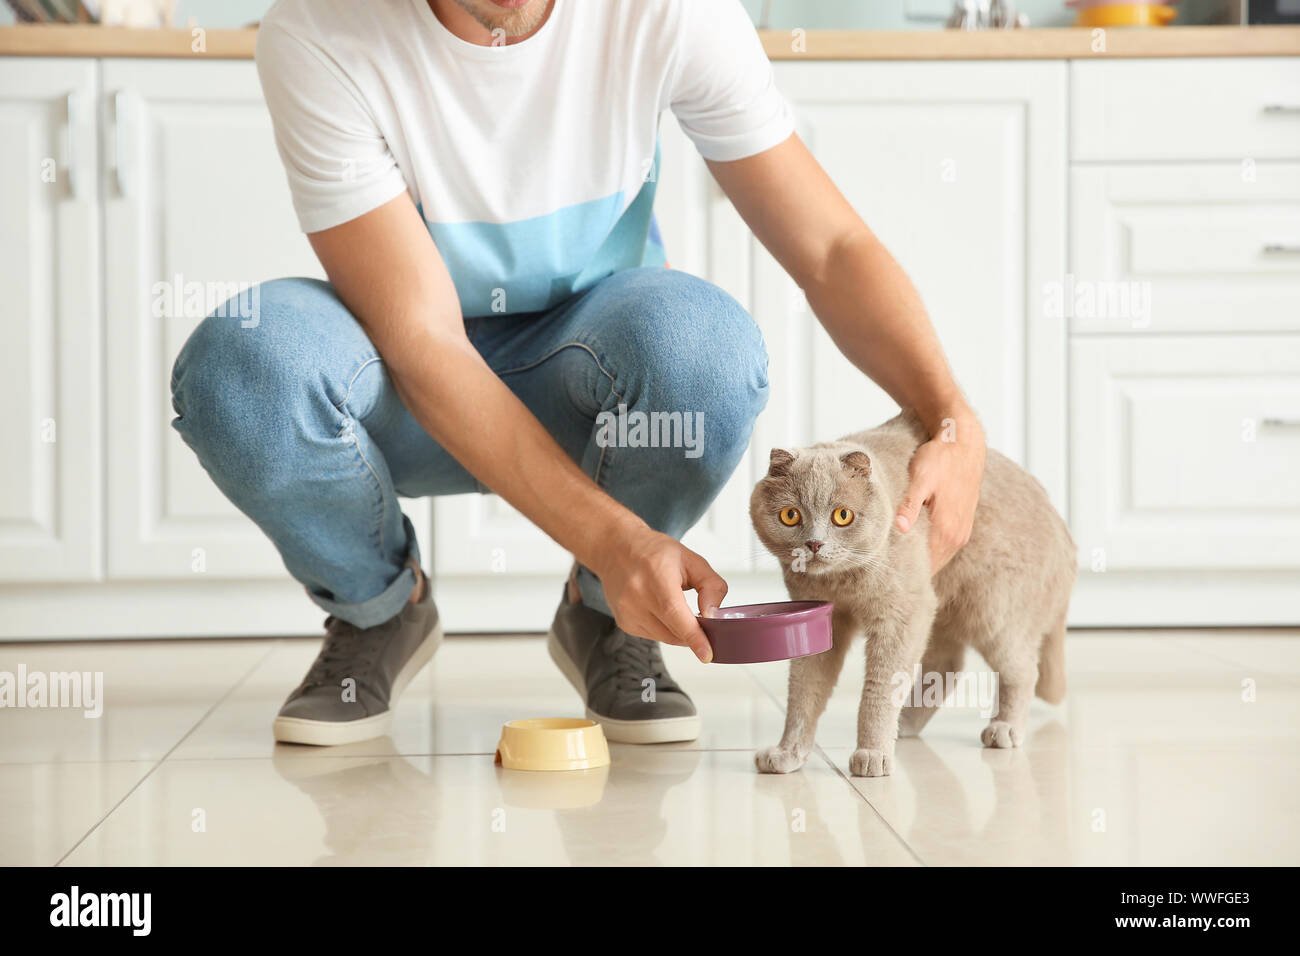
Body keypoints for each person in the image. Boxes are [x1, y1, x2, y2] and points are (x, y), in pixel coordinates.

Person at [170, 0, 986, 747]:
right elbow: (424, 344)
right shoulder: (318, 31)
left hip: (593, 386)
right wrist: (618, 539)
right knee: (243, 365)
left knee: (705, 351)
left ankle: (606, 619)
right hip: (403, 385)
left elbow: (831, 249)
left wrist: (948, 413)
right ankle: (378, 611)